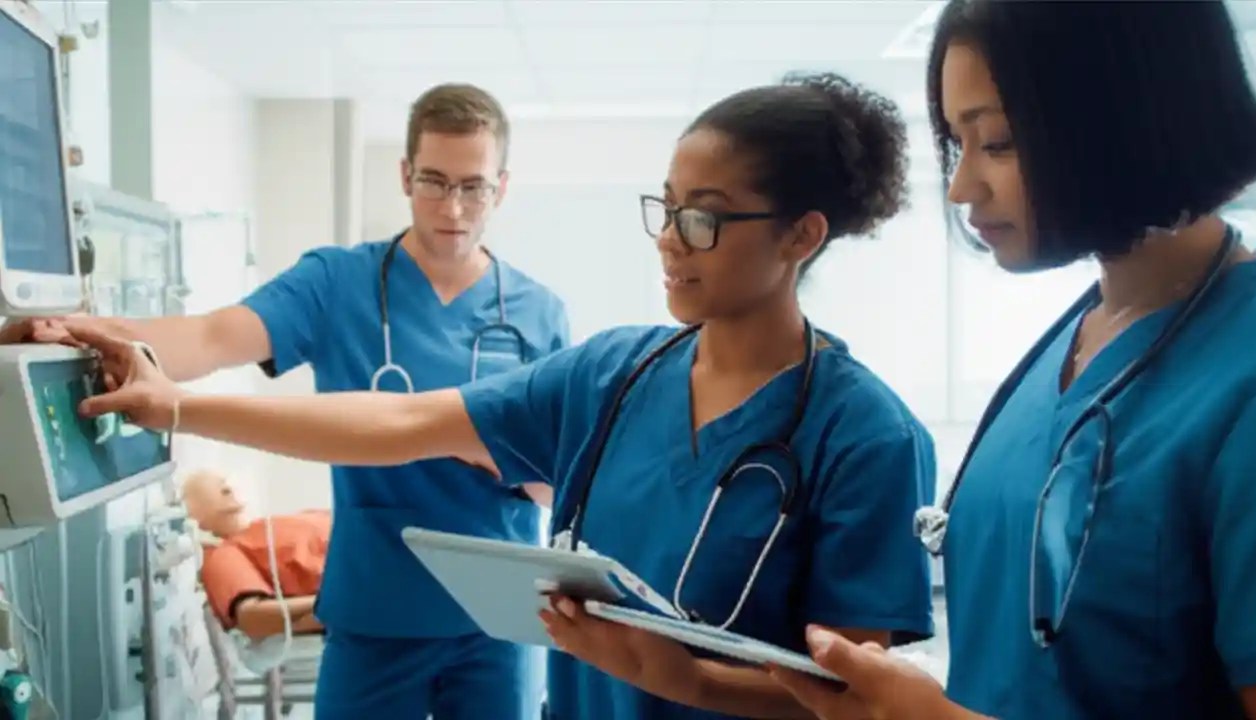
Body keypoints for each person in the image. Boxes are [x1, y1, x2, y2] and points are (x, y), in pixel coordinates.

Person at [70, 71, 937, 720]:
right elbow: (402, 418)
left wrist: (685, 679)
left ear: (801, 234)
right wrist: (174, 405)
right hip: (402, 619)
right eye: (665, 208)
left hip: (498, 648)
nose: (670, 240)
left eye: (703, 217)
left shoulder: (865, 436)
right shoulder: (613, 373)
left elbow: (857, 697)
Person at [768, 2, 1256, 719]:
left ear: (1132, 117)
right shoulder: (1075, 343)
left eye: (1000, 143)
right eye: (958, 143)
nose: (961, 187)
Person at [7, 84, 571, 719]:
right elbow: (211, 337)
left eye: (474, 187)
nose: (455, 207)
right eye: (435, 182)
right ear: (405, 174)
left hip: (495, 618)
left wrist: (490, 453)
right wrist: (85, 329)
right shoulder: (338, 282)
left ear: (501, 186)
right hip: (375, 610)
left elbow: (561, 479)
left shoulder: (538, 314)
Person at [183, 469, 330, 641]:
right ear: (191, 516)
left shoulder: (287, 521)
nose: (227, 488)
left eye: (224, 483)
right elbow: (252, 616)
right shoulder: (224, 553)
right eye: (213, 489)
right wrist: (338, 603)